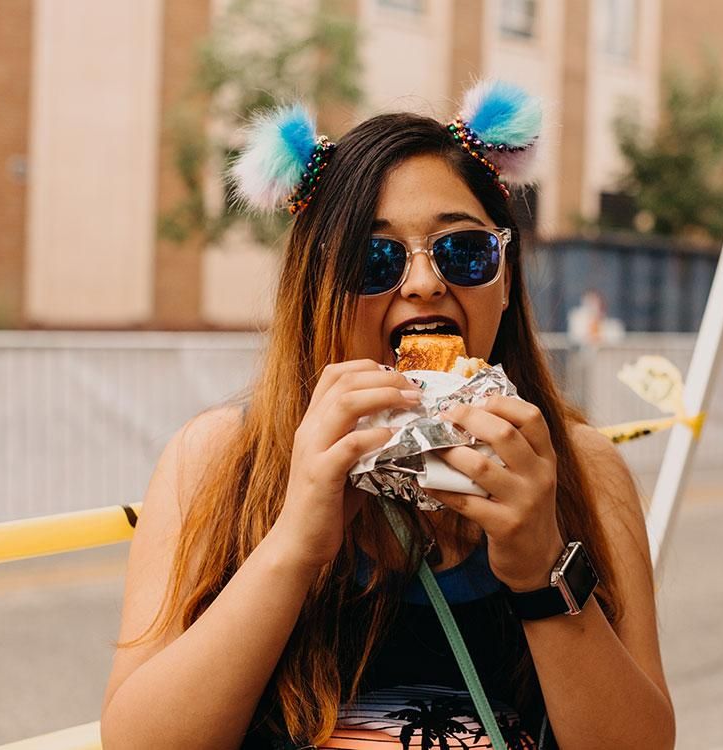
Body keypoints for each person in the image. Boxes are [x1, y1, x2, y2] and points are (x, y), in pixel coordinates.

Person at [99, 81, 674, 750]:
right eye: (374, 261)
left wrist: (540, 570)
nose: (425, 283)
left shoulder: (584, 471)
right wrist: (292, 546)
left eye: (463, 251)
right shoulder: (219, 460)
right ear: (314, 289)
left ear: (507, 277)